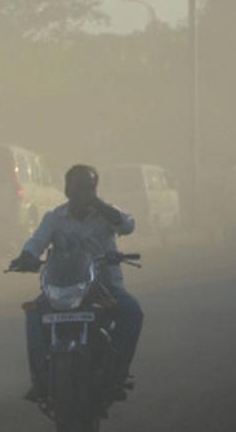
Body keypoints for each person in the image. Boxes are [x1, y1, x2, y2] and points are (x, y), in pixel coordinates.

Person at [9, 164, 144, 402]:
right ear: (66, 189)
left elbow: (127, 225)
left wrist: (100, 206)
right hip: (61, 287)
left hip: (103, 286)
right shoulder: (54, 218)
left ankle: (117, 372)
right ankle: (40, 378)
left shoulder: (106, 215)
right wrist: (26, 257)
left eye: (88, 188)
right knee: (33, 313)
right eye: (78, 188)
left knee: (133, 312)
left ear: (95, 190)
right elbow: (36, 242)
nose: (83, 194)